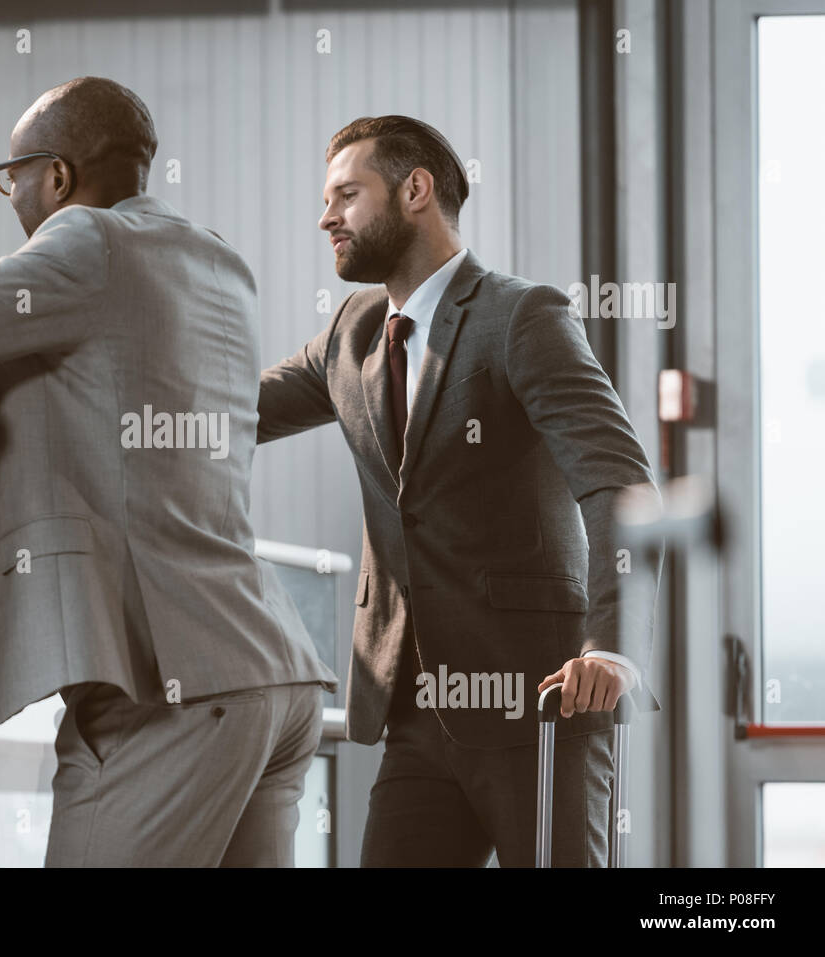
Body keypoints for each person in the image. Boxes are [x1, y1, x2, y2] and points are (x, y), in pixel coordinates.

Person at [0, 76, 338, 866]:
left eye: (10, 176)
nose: (9, 196)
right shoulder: (217, 260)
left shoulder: (86, 241)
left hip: (171, 691)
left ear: (56, 176)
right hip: (268, 678)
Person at [257, 115, 664, 866]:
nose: (326, 217)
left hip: (538, 702)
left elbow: (619, 483)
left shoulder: (522, 316)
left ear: (415, 190)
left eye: (347, 194)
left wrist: (611, 648)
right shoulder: (351, 331)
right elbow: (233, 410)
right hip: (413, 712)